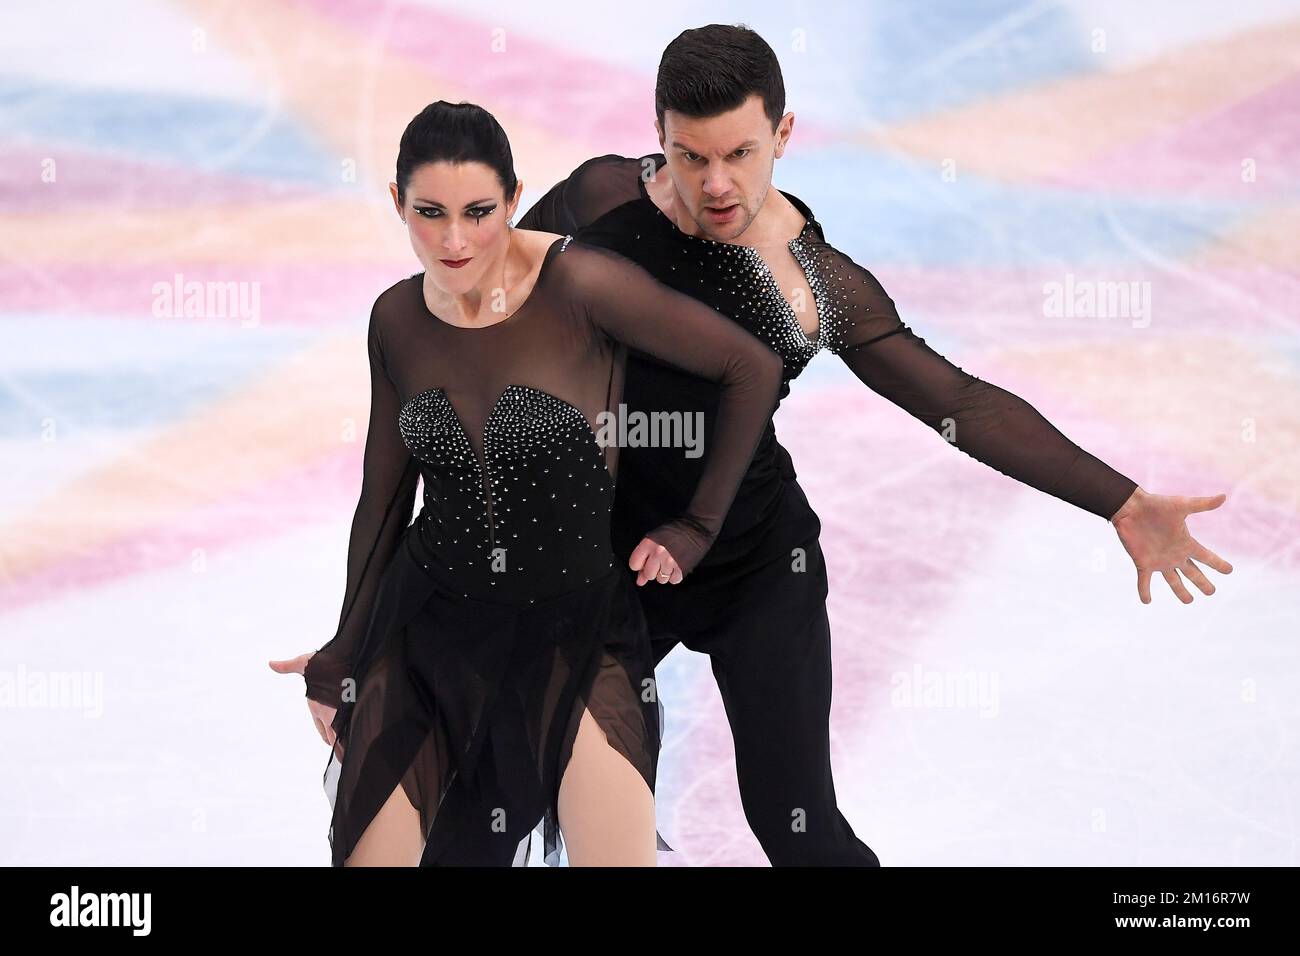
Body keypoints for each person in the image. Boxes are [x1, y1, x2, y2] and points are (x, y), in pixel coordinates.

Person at [512, 23, 1234, 865]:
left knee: (797, 823)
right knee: (526, 777)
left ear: (783, 135)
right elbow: (503, 298)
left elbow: (957, 401)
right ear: (659, 136)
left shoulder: (817, 286)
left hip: (754, 566)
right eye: (690, 155)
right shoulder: (602, 197)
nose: (715, 183)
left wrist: (1119, 498)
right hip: (613, 560)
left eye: (741, 153)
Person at [269, 99, 783, 867]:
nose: (453, 239)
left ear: (513, 198)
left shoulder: (581, 286)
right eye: (429, 213)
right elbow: (383, 499)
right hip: (427, 638)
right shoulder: (396, 321)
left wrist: (697, 527)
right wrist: (345, 650)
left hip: (577, 637)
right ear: (396, 203)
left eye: (479, 211)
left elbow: (751, 366)